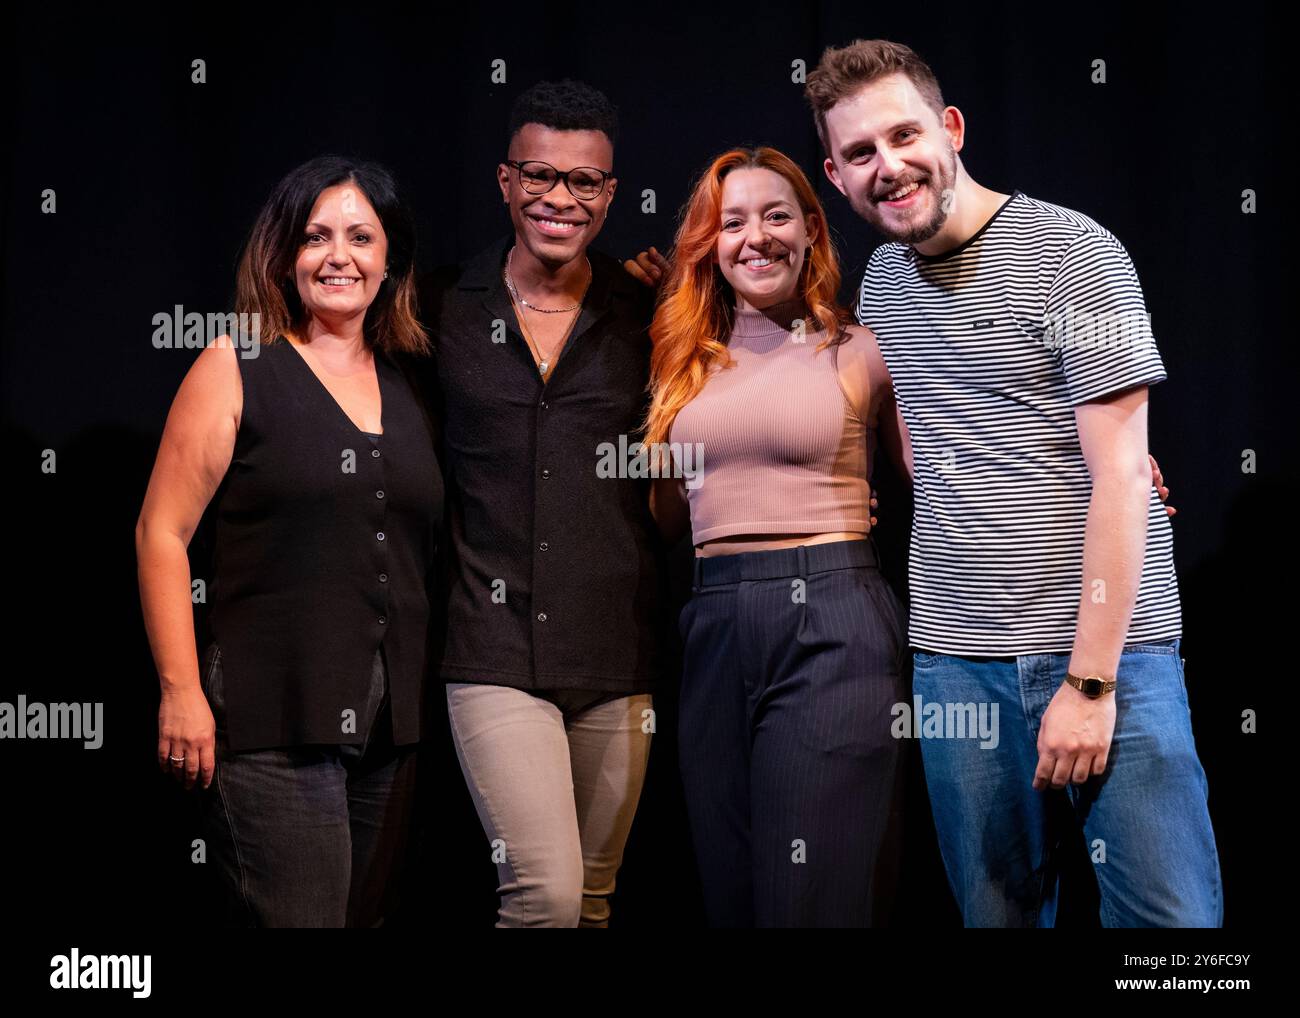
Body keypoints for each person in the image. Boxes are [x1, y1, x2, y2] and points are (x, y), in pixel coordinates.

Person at [805, 38, 1221, 926]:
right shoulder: (884, 283)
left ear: (950, 128)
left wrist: (1090, 686)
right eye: (860, 154)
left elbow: (1118, 478)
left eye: (903, 136)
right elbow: (928, 445)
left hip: (1114, 659)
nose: (889, 167)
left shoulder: (1074, 254)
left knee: (1172, 935)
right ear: (836, 175)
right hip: (958, 662)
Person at [135, 155, 442, 927]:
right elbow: (161, 533)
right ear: (284, 255)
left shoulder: (411, 385)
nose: (338, 256)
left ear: (390, 260)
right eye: (316, 237)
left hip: (387, 730)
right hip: (271, 723)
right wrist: (180, 691)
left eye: (360, 238)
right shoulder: (236, 364)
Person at [642, 146, 906, 927]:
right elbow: (667, 513)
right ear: (709, 245)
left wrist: (1104, 475)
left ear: (813, 230)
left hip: (832, 619)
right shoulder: (681, 361)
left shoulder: (861, 350)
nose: (755, 238)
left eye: (777, 215)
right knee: (732, 900)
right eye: (732, 223)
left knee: (807, 902)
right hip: (713, 626)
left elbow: (948, 476)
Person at [416, 80, 658, 927]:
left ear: (610, 194)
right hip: (491, 651)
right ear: (505, 181)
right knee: (545, 899)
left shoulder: (651, 314)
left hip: (620, 655)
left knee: (592, 902)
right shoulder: (438, 307)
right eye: (540, 175)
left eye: (584, 181)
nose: (561, 197)